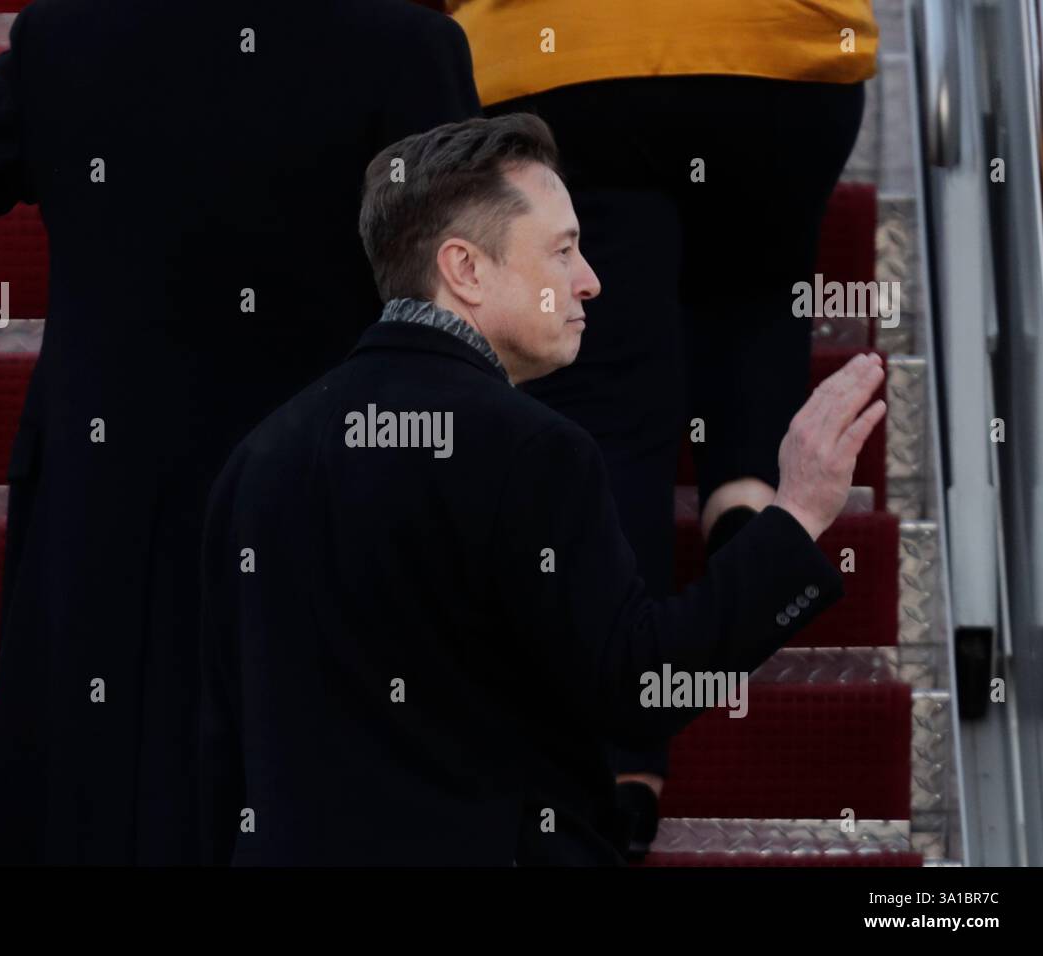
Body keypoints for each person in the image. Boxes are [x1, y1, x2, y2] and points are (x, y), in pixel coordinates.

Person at [0, 0, 481, 864]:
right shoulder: (406, 43)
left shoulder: (74, 36)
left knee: (108, 786)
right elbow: (466, 271)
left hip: (113, 498)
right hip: (327, 492)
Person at [197, 113, 886, 865]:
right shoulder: (531, 449)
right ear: (465, 268)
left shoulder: (259, 457)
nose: (590, 279)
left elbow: (223, 739)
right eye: (562, 250)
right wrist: (798, 512)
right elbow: (640, 685)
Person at [450, 0, 877, 854]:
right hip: (778, 46)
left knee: (607, 397)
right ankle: (749, 508)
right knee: (757, 280)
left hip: (571, 58)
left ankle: (623, 765)